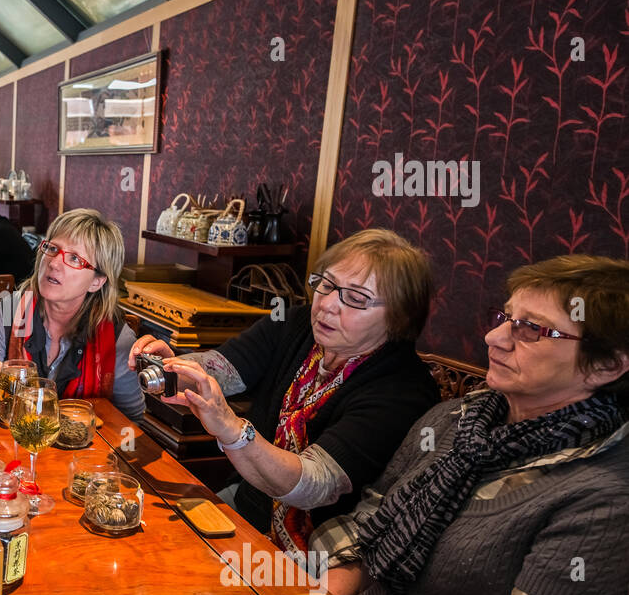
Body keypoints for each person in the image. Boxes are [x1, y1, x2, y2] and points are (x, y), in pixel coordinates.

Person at [312, 256, 629, 595]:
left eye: (533, 330)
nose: (494, 338)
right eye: (505, 318)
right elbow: (366, 518)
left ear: (606, 366)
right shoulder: (457, 420)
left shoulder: (604, 495)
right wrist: (334, 591)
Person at [129, 228, 440, 555]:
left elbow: (312, 485)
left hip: (318, 555)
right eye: (327, 284)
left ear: (398, 317)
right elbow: (224, 368)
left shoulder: (403, 390)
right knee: (151, 547)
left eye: (356, 298)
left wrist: (233, 430)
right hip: (246, 507)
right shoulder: (298, 324)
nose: (328, 305)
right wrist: (173, 369)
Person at [0, 208, 145, 420]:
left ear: (97, 281)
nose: (54, 263)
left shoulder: (117, 337)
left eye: (75, 259)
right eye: (52, 249)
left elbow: (131, 420)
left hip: (84, 450)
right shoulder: (5, 315)